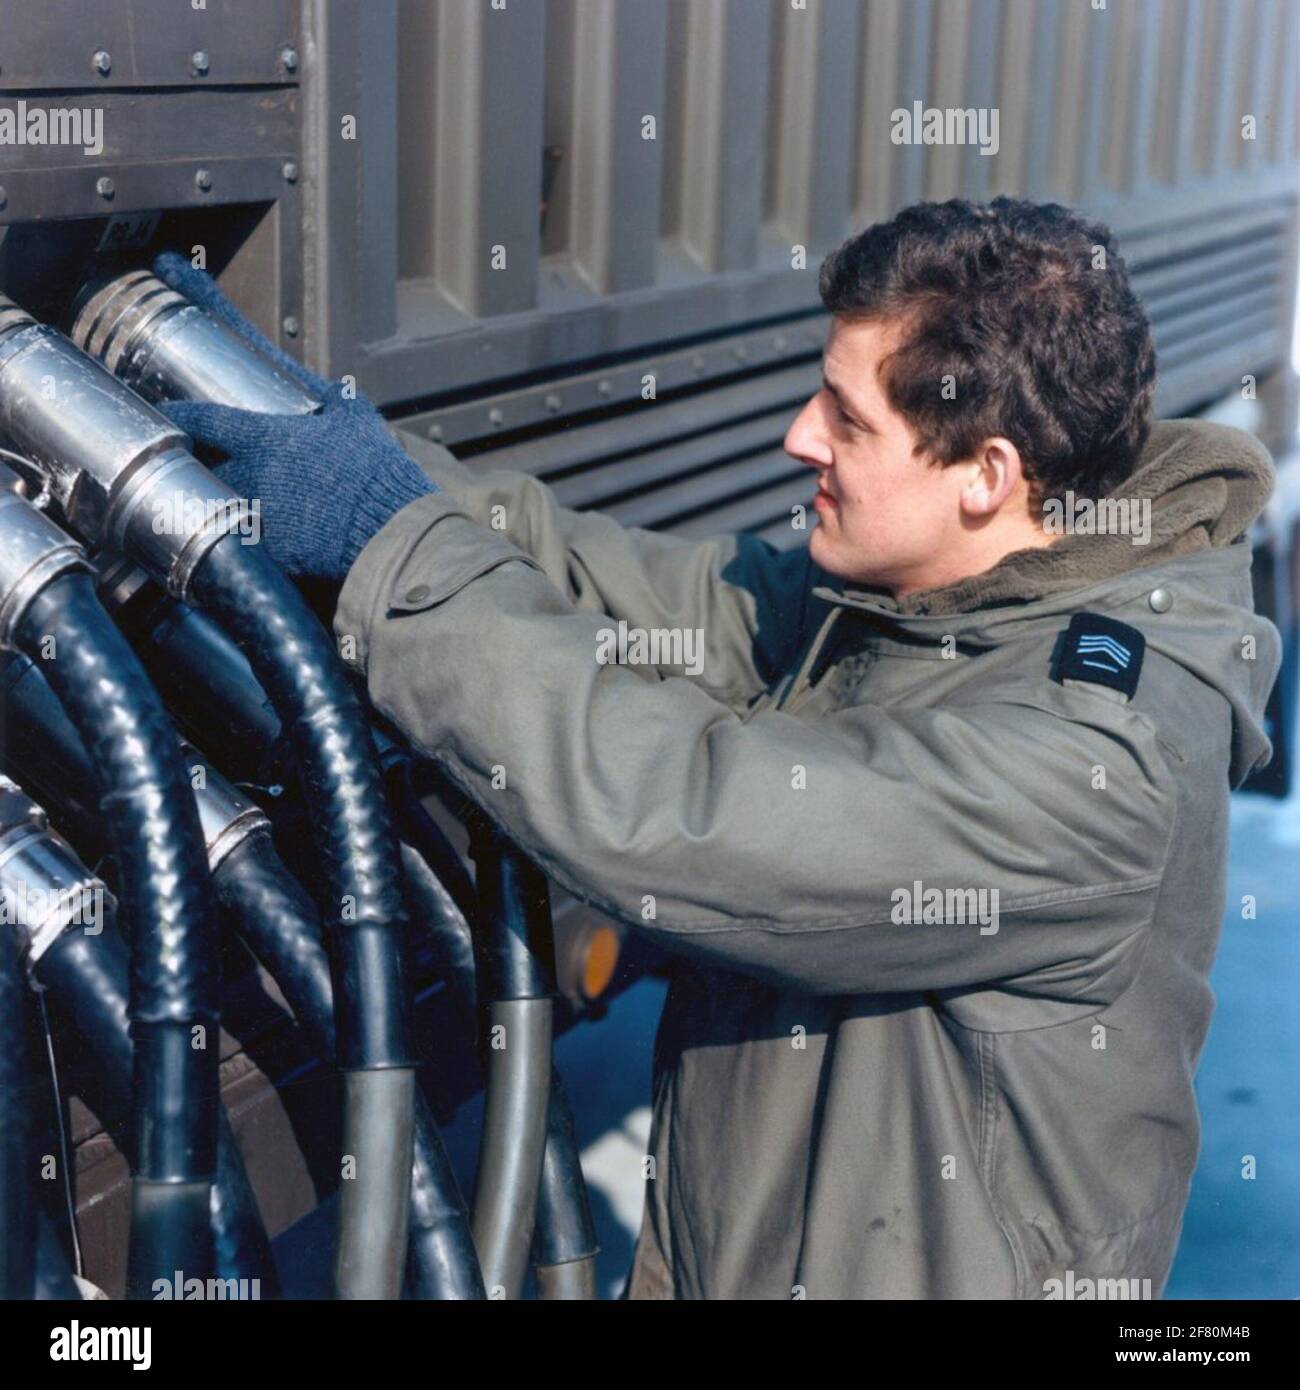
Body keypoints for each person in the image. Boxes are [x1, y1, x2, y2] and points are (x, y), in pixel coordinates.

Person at [158, 197, 1281, 1299]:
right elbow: (623, 588)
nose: (799, 436)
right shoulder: (938, 592)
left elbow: (681, 815)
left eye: (846, 419)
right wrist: (347, 457)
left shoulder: (1088, 770)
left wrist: (389, 554)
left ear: (986, 475)